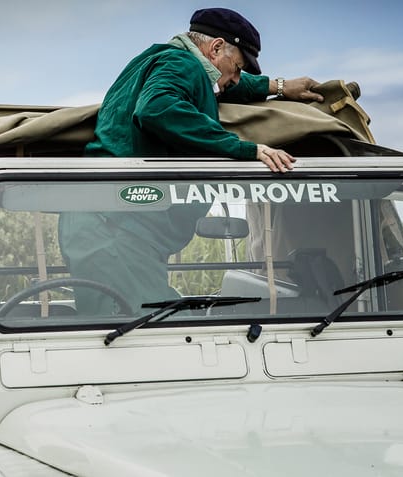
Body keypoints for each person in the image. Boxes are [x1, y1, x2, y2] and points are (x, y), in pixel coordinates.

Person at [58, 8, 324, 315]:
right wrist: (243, 148)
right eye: (237, 68)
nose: (235, 78)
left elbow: (226, 85)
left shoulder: (162, 58)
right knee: (154, 333)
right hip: (118, 228)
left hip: (108, 222)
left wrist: (277, 87)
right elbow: (157, 108)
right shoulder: (181, 65)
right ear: (215, 48)